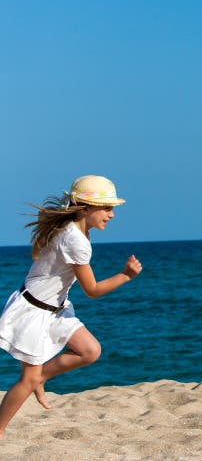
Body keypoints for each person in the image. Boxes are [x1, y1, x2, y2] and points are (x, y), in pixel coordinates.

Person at [0, 175, 142, 439]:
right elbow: (92, 290)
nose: (112, 215)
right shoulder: (74, 240)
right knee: (27, 381)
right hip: (33, 312)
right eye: (107, 208)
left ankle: (40, 377)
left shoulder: (74, 228)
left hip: (54, 308)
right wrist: (126, 275)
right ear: (85, 208)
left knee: (89, 350)